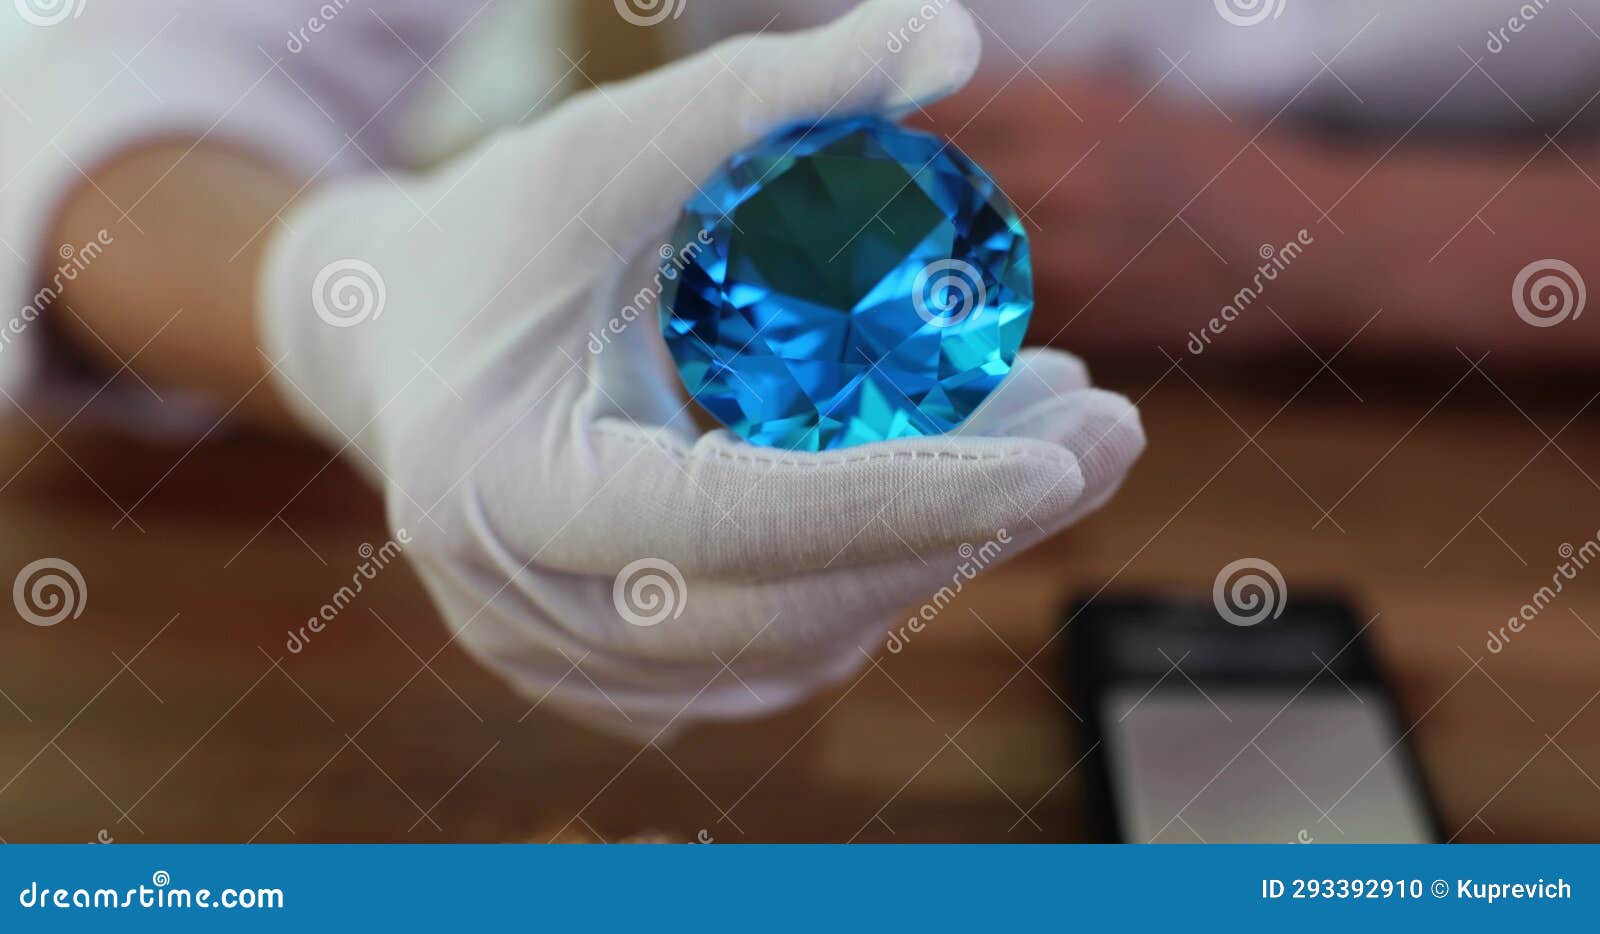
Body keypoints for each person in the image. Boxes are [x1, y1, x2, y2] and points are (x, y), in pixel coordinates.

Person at [3, 0, 1588, 735]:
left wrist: (1358, 231)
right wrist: (342, 309)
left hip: (1500, 478)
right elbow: (113, 89)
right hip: (751, 444)